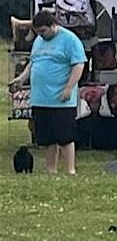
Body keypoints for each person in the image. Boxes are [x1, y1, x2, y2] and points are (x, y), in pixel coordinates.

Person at [8, 10, 85, 175]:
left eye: (43, 31)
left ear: (53, 25)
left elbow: (78, 65)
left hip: (61, 98)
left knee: (65, 136)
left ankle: (71, 169)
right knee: (48, 137)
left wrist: (69, 88)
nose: (41, 35)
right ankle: (51, 169)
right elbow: (33, 63)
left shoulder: (70, 40)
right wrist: (21, 79)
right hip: (41, 98)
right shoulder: (39, 41)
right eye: (38, 32)